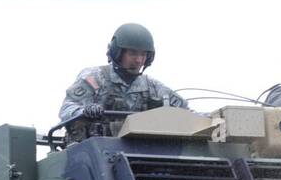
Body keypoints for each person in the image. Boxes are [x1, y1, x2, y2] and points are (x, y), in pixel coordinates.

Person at [58, 23, 187, 139]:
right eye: (133, 53)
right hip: (91, 153)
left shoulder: (152, 87)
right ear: (117, 53)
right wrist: (85, 111)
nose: (139, 60)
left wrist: (206, 118)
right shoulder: (94, 78)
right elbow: (66, 109)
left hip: (137, 154)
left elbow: (185, 112)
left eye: (143, 54)